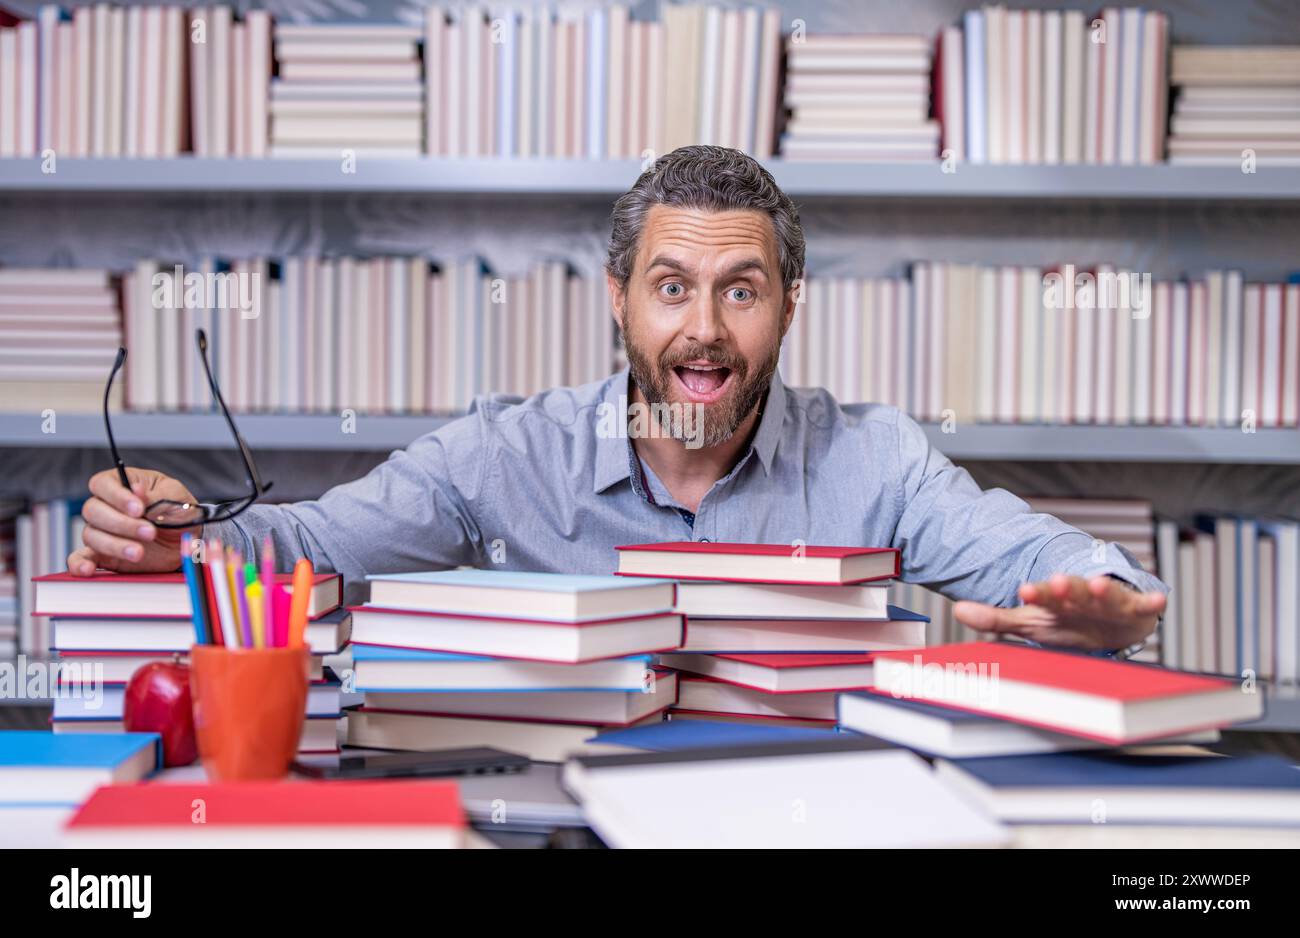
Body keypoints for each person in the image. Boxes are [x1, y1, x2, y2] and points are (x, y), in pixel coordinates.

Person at [68, 145, 1166, 654]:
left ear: (788, 303)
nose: (703, 329)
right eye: (671, 287)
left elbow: (1026, 553)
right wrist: (177, 535)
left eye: (741, 290)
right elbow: (307, 541)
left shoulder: (873, 459)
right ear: (619, 298)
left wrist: (1102, 597)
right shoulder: (503, 454)